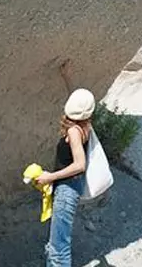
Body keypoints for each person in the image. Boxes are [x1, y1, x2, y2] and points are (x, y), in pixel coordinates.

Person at [37, 88, 95, 267]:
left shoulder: (74, 131)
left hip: (66, 190)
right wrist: (67, 76)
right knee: (56, 242)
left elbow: (80, 165)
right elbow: (82, 106)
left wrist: (50, 177)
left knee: (58, 249)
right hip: (73, 186)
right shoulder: (86, 125)